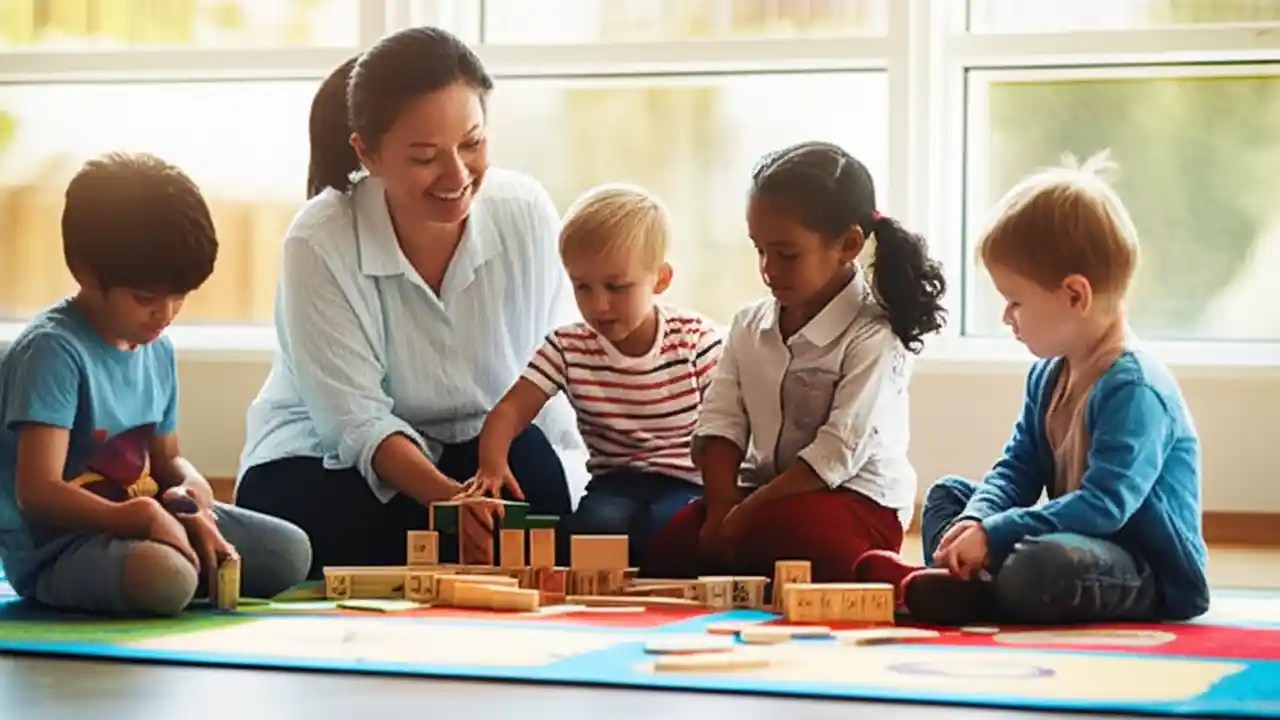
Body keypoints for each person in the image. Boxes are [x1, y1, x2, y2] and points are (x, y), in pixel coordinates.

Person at [235, 27, 581, 577]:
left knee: (538, 489)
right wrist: (449, 502)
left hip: (482, 445)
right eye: (424, 156)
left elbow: (551, 367)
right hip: (338, 456)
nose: (457, 175)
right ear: (368, 154)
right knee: (305, 521)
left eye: (472, 143)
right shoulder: (319, 240)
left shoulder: (526, 212)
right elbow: (354, 421)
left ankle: (443, 547)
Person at [853, 152, 1210, 625]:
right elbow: (1017, 469)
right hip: (1074, 539)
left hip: (1138, 566)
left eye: (1015, 301)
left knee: (1042, 564)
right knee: (947, 497)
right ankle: (972, 582)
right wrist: (976, 521)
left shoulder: (1135, 389)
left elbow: (1104, 508)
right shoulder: (1049, 375)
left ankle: (977, 588)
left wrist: (996, 535)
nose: (1006, 317)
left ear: (1074, 295)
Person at [0, 152, 311, 616]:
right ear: (86, 273)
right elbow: (37, 491)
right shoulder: (53, 352)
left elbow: (165, 460)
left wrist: (194, 493)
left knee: (291, 552)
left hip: (145, 516)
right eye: (146, 299)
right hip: (63, 546)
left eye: (178, 298)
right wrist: (139, 518)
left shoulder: (156, 346)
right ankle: (172, 568)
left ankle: (182, 560)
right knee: (164, 579)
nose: (164, 315)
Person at [643, 141, 947, 582]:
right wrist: (722, 510)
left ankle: (894, 579)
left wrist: (745, 516)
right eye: (759, 250)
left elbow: (837, 451)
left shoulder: (873, 334)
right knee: (673, 541)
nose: (768, 269)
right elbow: (721, 420)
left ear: (848, 244)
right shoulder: (748, 325)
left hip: (856, 500)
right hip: (764, 496)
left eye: (786, 254)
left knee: (789, 534)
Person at [467, 184, 722, 568]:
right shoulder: (568, 347)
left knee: (669, 532)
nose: (598, 304)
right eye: (582, 286)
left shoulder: (695, 341)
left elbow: (732, 424)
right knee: (588, 535)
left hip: (687, 482)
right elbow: (509, 411)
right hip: (615, 482)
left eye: (616, 287)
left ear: (661, 279)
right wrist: (491, 466)